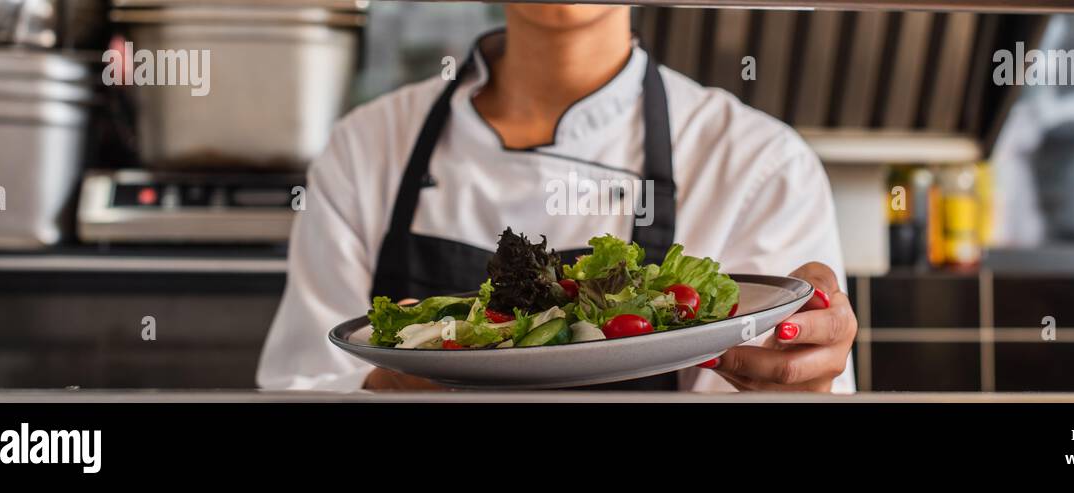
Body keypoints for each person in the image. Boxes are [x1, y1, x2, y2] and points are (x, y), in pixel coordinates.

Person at [257, 4, 857, 392]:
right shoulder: (367, 145)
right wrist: (392, 381)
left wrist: (797, 382)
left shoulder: (759, 163)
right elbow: (303, 380)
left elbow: (783, 382)